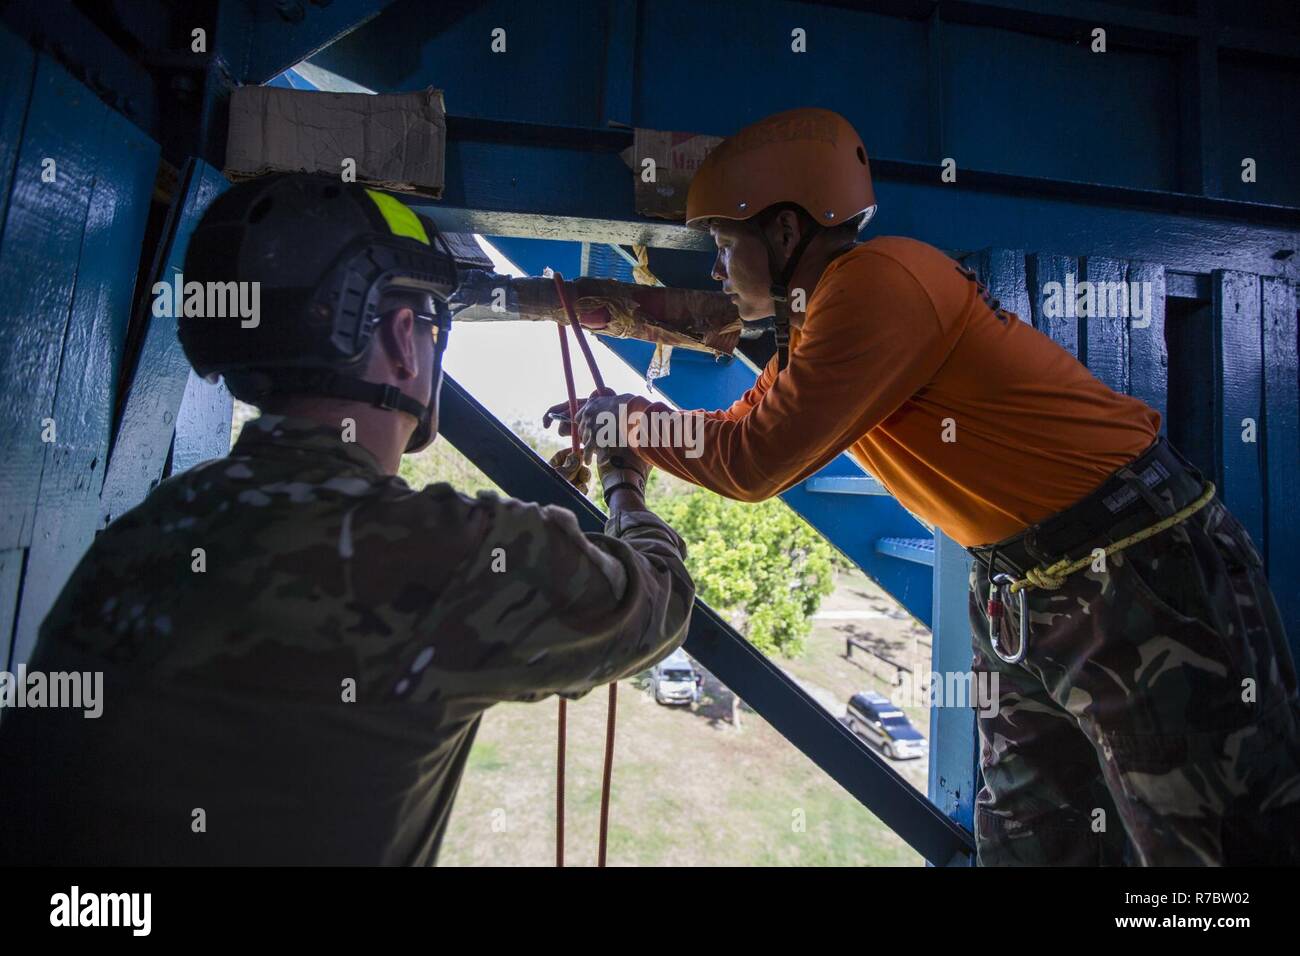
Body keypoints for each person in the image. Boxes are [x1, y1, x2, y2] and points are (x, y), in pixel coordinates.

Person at [546, 107, 1300, 866]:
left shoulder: (878, 282)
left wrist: (630, 421)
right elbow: (741, 426)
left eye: (721, 243)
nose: (714, 268)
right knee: (1035, 843)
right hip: (1022, 588)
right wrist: (629, 423)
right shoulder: (813, 331)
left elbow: (751, 460)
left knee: (1215, 863)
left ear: (782, 233)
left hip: (1137, 565)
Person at [0, 173, 694, 865]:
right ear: (402, 339)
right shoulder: (446, 554)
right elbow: (659, 598)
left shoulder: (142, 535)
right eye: (431, 325)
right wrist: (621, 477)